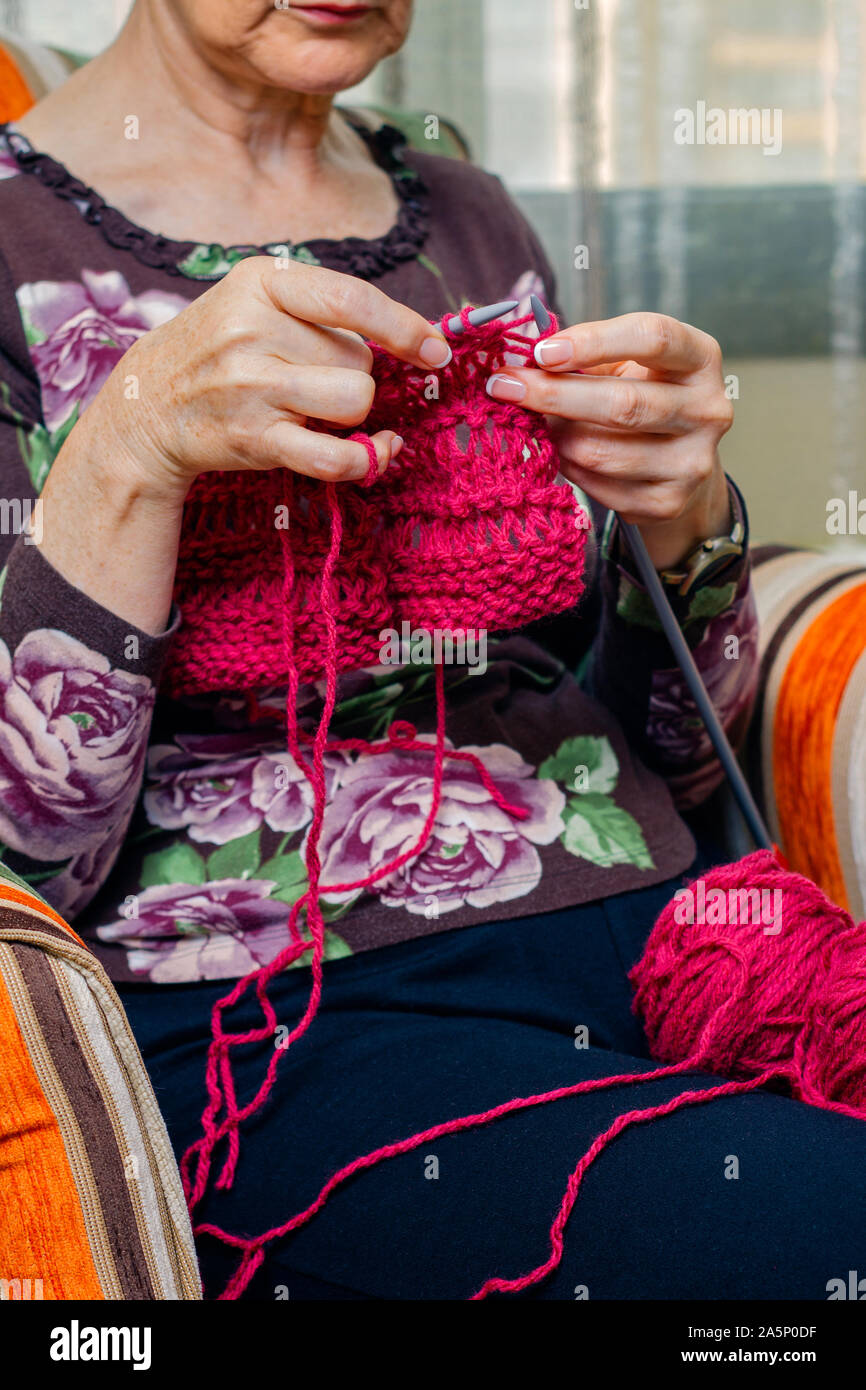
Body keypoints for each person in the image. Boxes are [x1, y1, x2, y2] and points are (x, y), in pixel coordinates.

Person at [0, 0, 862, 1301]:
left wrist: (683, 516)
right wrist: (124, 455)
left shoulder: (468, 209)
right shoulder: (16, 241)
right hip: (288, 1017)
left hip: (663, 935)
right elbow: (28, 861)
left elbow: (683, 755)